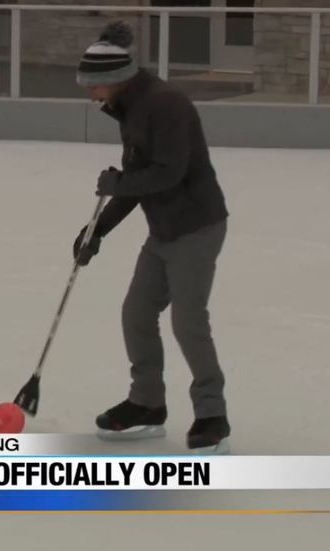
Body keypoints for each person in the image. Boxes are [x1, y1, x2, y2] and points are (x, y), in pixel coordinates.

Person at [73, 22, 232, 454]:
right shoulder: (130, 107)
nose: (91, 95)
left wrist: (118, 183)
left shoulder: (166, 105)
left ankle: (211, 415)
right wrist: (98, 230)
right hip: (163, 229)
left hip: (196, 226)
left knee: (188, 321)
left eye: (94, 87)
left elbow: (167, 173)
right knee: (137, 314)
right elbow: (137, 179)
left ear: (116, 79)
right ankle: (147, 404)